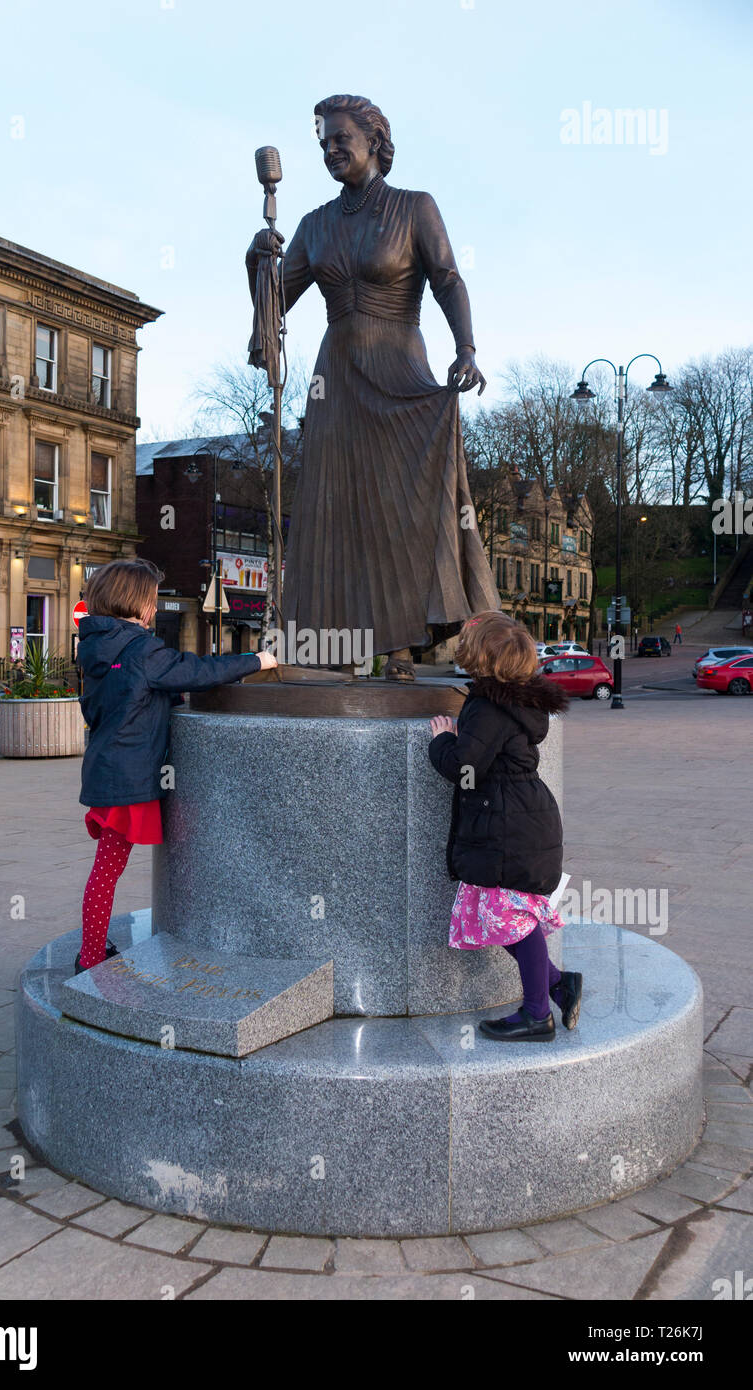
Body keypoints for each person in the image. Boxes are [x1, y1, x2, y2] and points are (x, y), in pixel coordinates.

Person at [246, 94, 498, 682]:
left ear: (374, 143)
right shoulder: (313, 224)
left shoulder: (415, 208)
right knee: (336, 508)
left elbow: (449, 280)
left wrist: (466, 348)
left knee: (404, 510)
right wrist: (256, 260)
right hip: (334, 376)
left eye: (342, 140)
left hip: (399, 367)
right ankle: (329, 649)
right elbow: (275, 302)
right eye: (324, 144)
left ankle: (402, 646)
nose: (331, 151)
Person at [74, 558, 277, 973]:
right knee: (109, 868)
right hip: (128, 777)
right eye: (151, 600)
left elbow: (121, 699)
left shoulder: (97, 646)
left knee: (107, 868)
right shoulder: (140, 648)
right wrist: (256, 661)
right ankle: (91, 956)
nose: (154, 608)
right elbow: (197, 670)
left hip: (111, 767)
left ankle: (93, 950)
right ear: (135, 603)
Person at [427, 612, 582, 1042]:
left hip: (508, 828)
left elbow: (465, 770)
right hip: (518, 821)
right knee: (498, 917)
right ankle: (555, 984)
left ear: (478, 658)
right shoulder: (511, 702)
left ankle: (537, 1014)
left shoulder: (488, 707)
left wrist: (442, 741)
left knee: (511, 920)